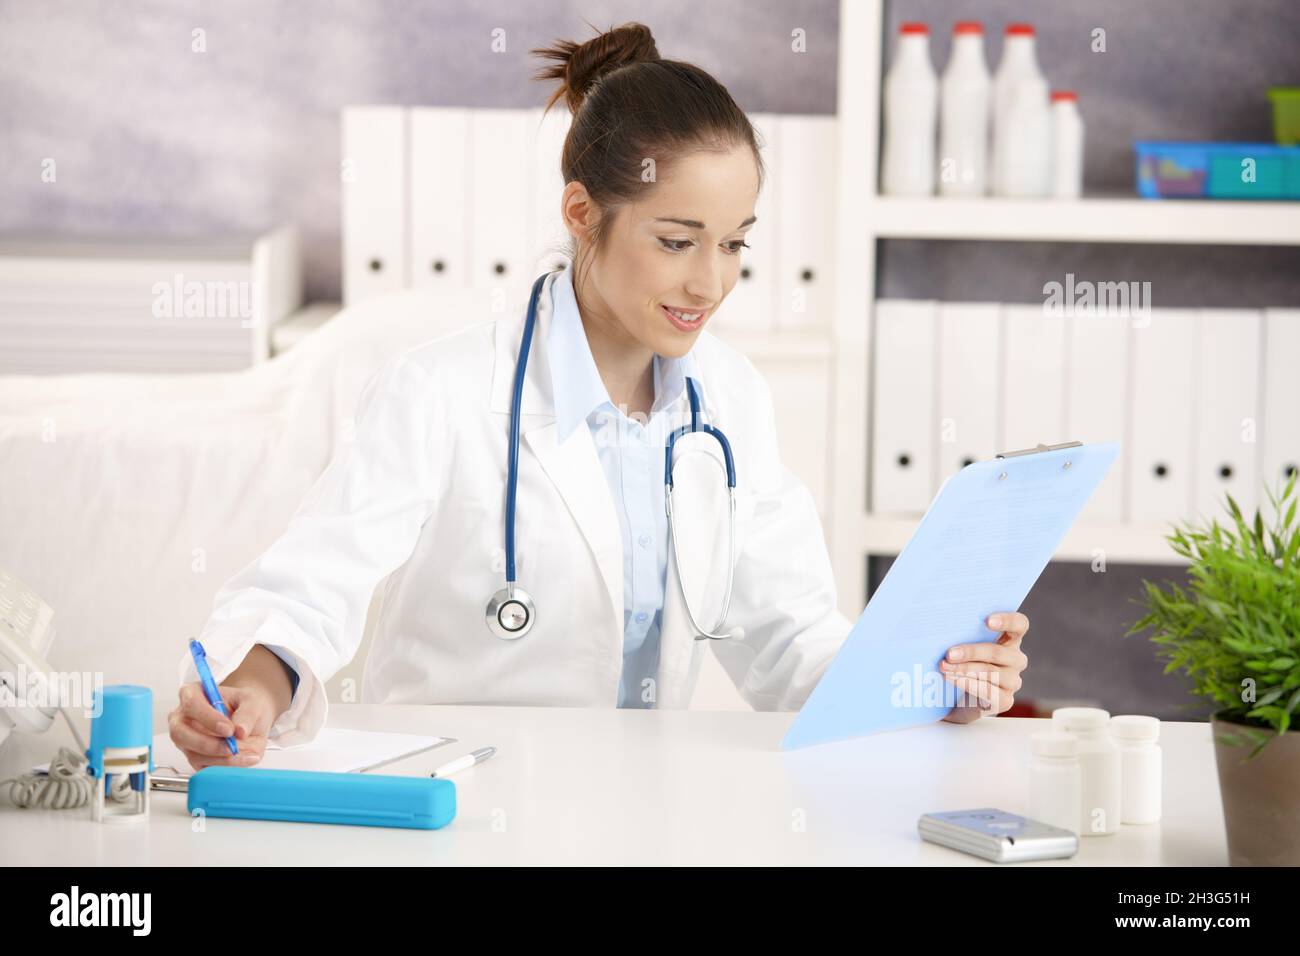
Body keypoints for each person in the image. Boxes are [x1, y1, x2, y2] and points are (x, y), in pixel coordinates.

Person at [168, 22, 1029, 771]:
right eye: (677, 240)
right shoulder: (439, 391)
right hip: (461, 803)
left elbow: (793, 641)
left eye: (734, 244)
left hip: (641, 808)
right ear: (582, 213)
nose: (710, 281)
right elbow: (313, 584)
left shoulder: (727, 401)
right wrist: (249, 687)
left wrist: (929, 681)